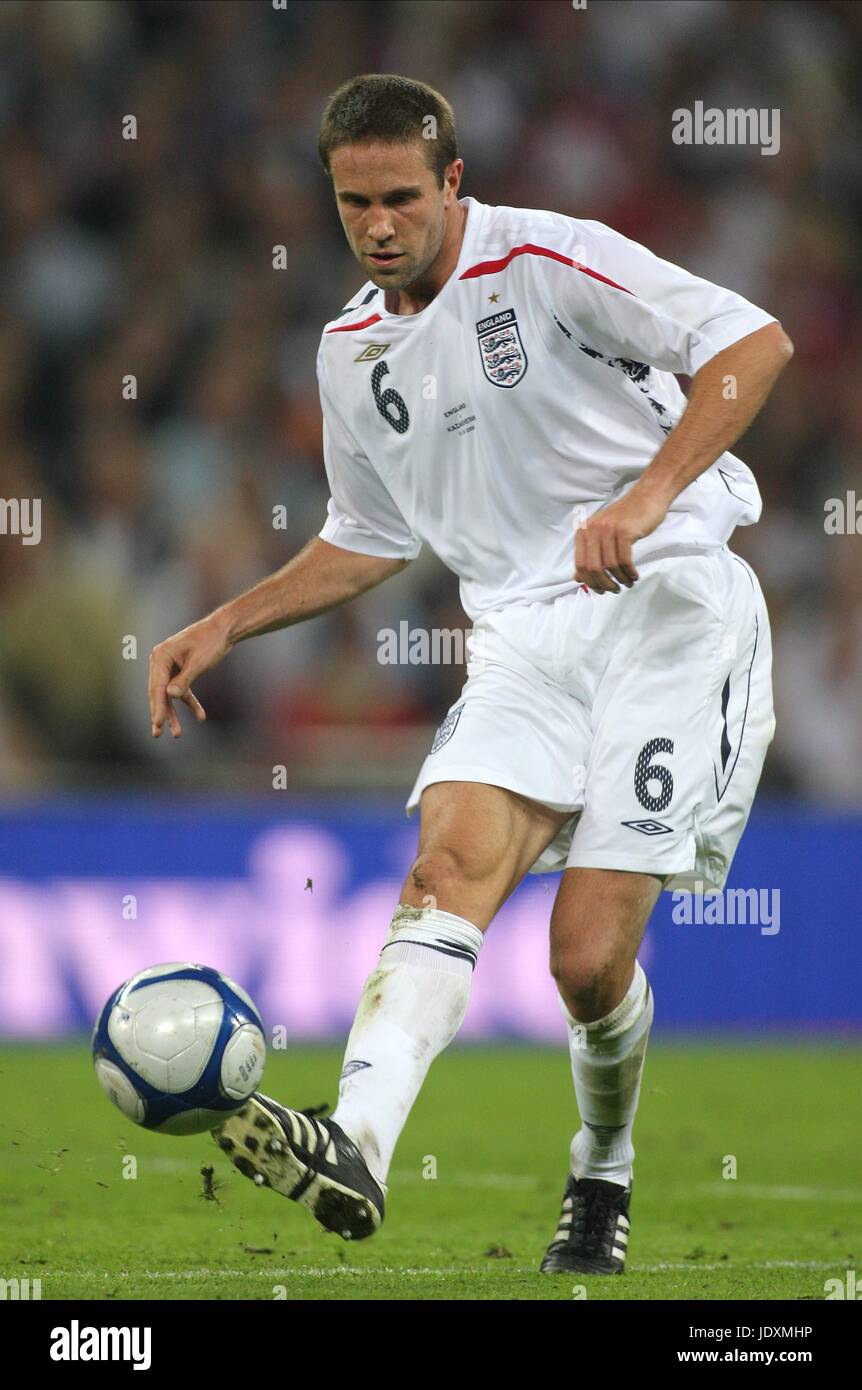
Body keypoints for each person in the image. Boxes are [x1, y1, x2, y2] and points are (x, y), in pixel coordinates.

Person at [148, 74, 792, 1274]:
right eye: (353, 205)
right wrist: (228, 622)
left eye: (401, 196)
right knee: (443, 868)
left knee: (586, 961)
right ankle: (357, 1142)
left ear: (452, 183)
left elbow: (753, 342)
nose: (378, 225)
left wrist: (647, 497)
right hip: (519, 640)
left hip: (668, 608)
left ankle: (602, 1167)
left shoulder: (547, 258)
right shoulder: (350, 353)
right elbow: (370, 536)